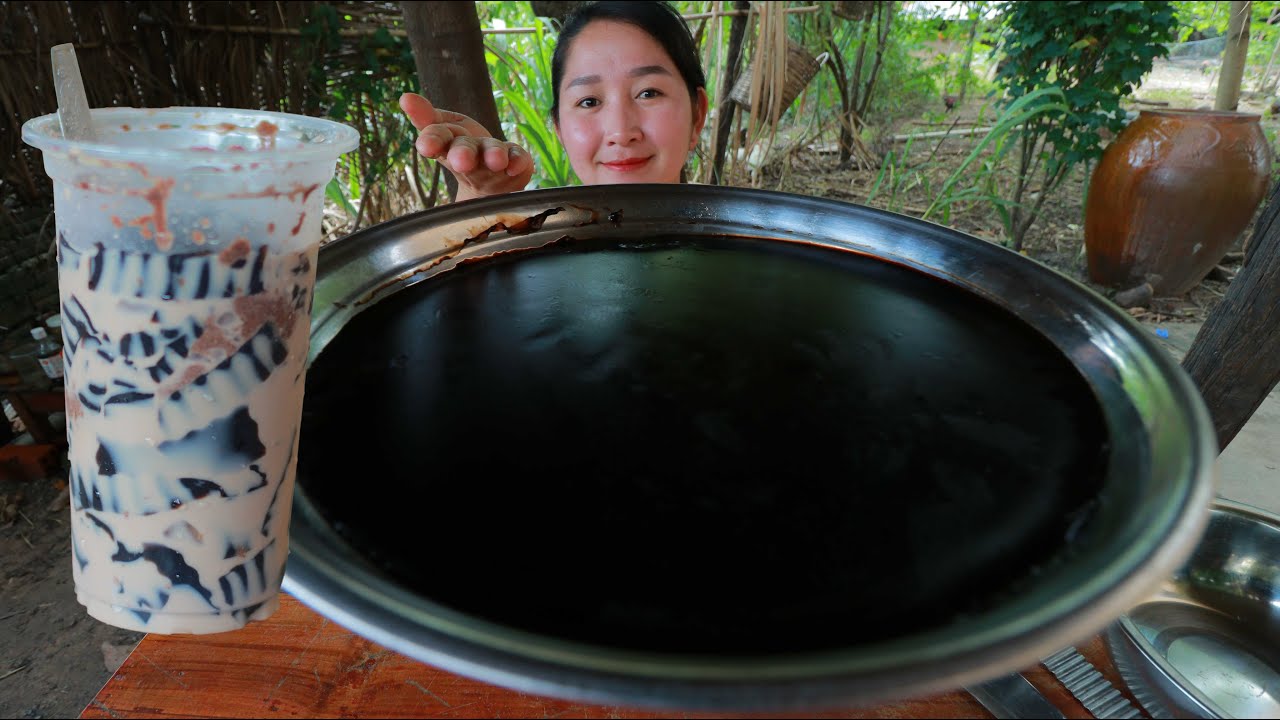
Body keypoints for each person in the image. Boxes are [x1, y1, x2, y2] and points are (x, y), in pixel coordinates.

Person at [398, 0, 709, 202]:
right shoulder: (536, 248)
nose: (620, 132)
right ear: (559, 127)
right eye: (589, 101)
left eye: (648, 93)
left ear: (697, 115)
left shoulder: (739, 243)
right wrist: (480, 200)